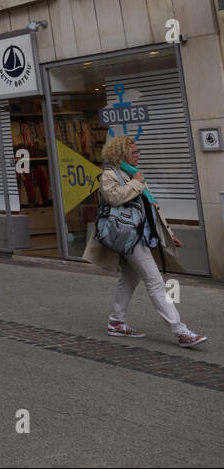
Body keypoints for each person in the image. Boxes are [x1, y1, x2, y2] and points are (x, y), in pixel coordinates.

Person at [85, 135, 206, 347]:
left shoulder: (134, 175)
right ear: (122, 154)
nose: (138, 155)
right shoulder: (110, 174)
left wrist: (168, 233)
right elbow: (113, 198)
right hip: (128, 237)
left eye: (138, 151)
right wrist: (136, 184)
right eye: (134, 152)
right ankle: (181, 331)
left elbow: (151, 208)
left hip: (140, 235)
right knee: (156, 282)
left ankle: (116, 322)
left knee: (130, 277)